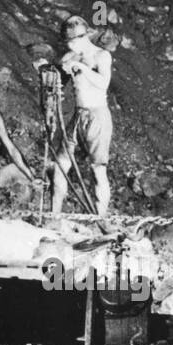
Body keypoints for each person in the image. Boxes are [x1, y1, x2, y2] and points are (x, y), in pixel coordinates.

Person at [50, 14, 114, 216]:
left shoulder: (101, 56)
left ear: (81, 38)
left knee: (98, 169)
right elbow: (61, 76)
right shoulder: (72, 56)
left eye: (70, 42)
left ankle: (100, 218)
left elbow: (104, 83)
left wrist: (82, 68)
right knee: (61, 162)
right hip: (78, 115)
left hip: (97, 117)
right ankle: (54, 214)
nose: (68, 47)